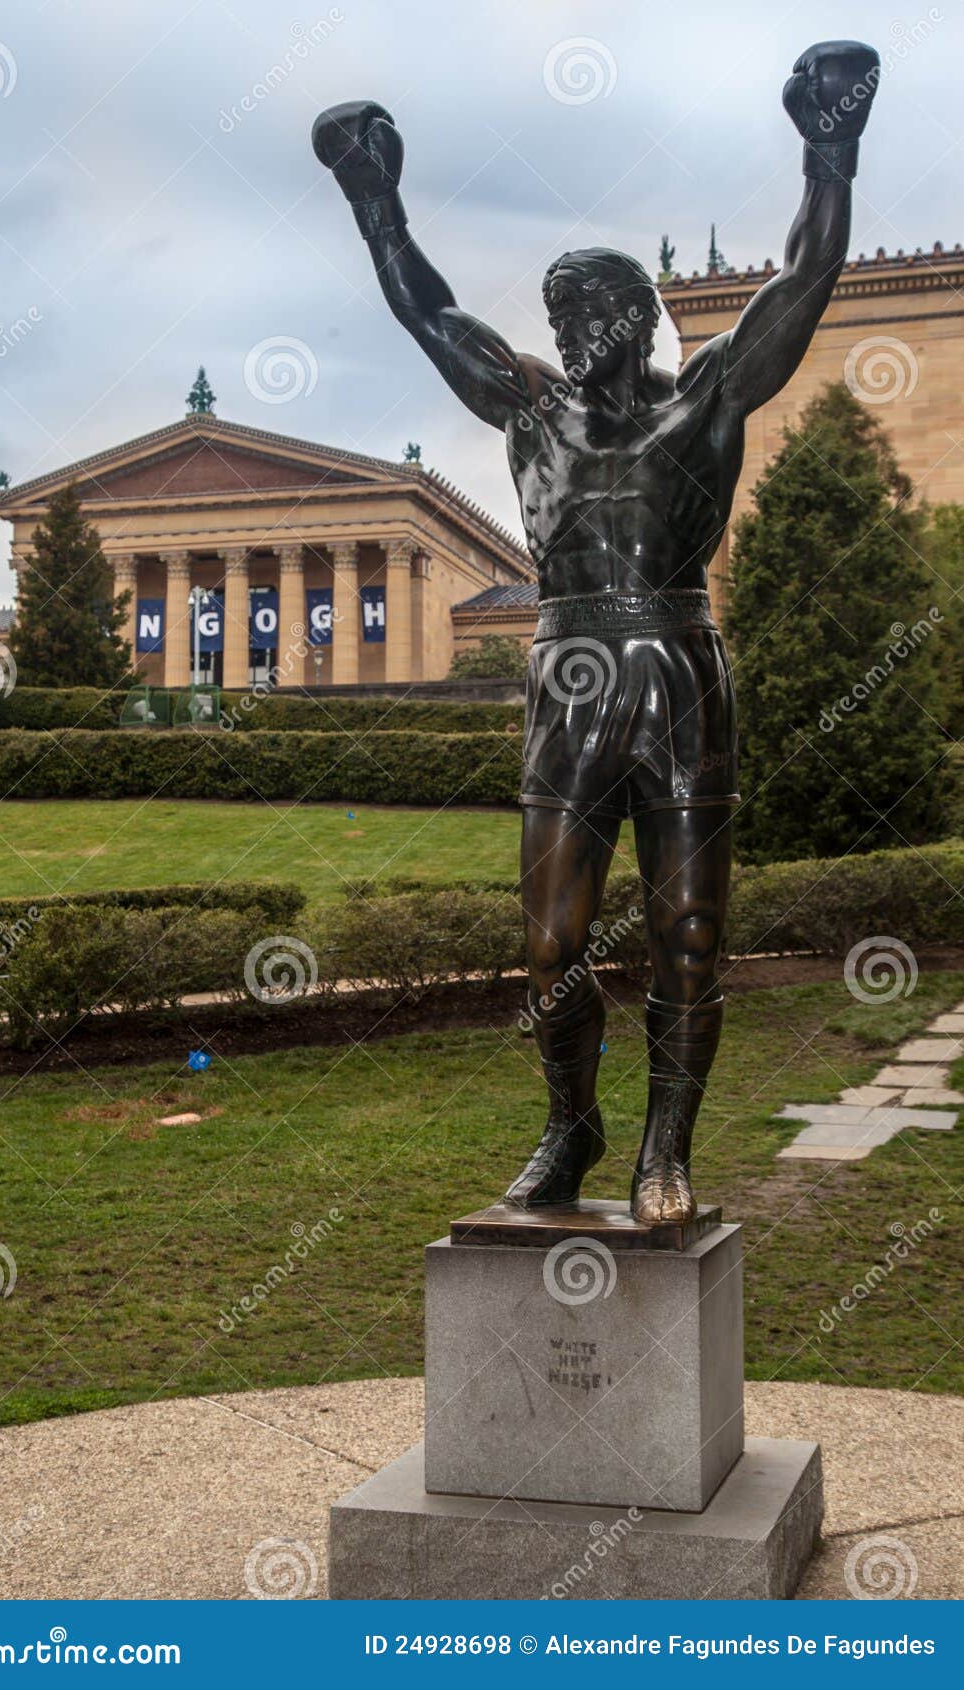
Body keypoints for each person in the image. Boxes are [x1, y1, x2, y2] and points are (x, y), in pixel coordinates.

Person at [313, 41, 879, 1222]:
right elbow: (430, 314)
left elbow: (807, 277)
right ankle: (570, 1123)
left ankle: (664, 1148)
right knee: (548, 942)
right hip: (567, 673)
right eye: (554, 309)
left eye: (580, 307)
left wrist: (827, 148)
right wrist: (377, 205)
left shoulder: (709, 395)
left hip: (677, 668)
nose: (561, 325)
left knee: (685, 930)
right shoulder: (530, 411)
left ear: (636, 316)